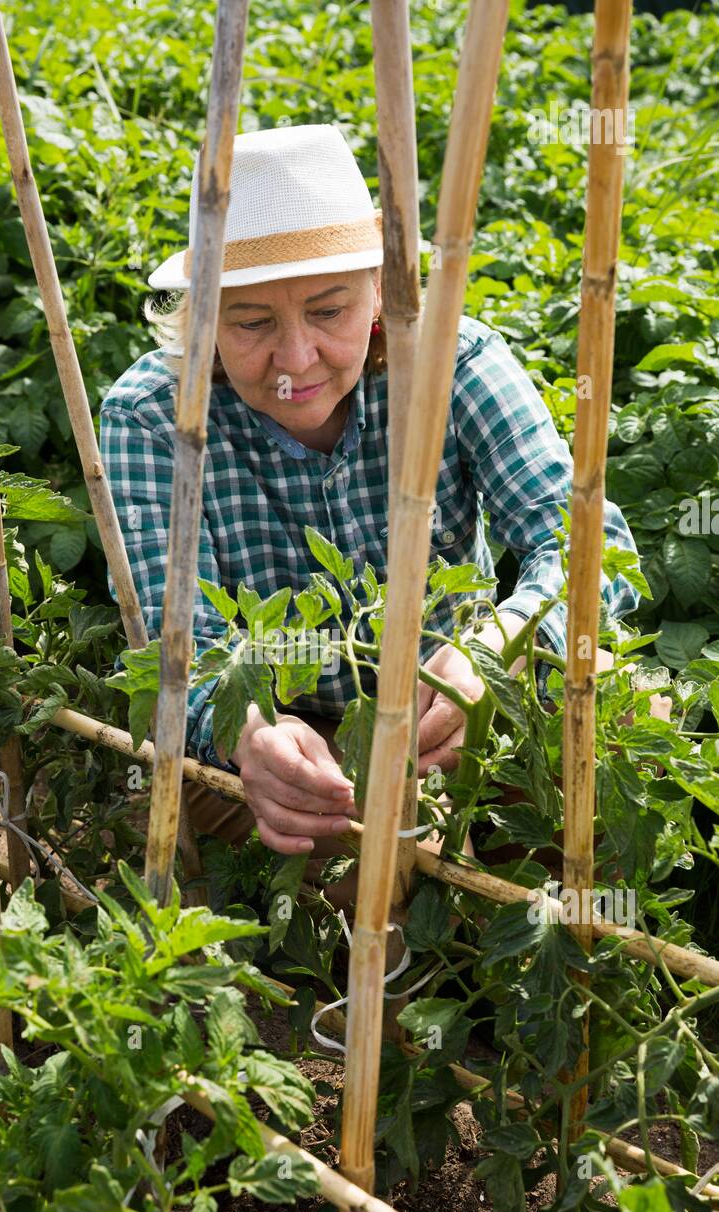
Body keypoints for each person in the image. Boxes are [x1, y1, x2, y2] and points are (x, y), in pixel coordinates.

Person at [99, 123, 652, 901]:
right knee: (279, 849)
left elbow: (589, 544)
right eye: (251, 324)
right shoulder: (157, 419)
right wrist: (251, 736)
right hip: (307, 752)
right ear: (199, 319)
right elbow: (175, 652)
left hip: (460, 719)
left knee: (630, 729)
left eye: (328, 311)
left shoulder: (452, 363)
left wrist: (497, 649)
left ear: (380, 294)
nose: (295, 360)